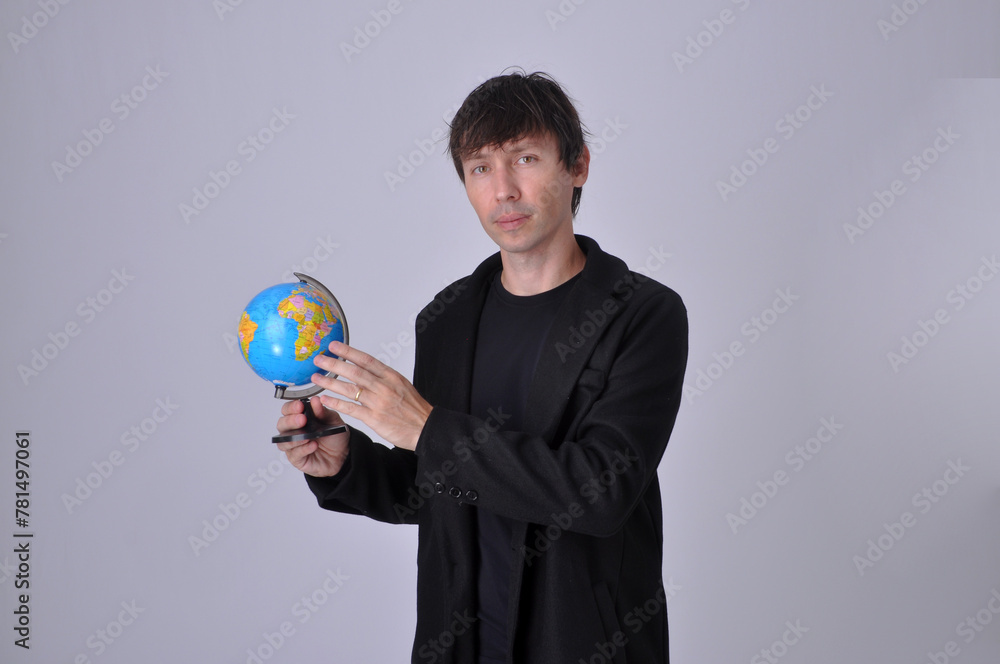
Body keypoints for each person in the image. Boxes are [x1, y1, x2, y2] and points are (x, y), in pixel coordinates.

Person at [276, 71, 688, 664]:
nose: (504, 191)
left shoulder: (644, 314)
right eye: (480, 168)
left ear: (578, 167)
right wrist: (347, 465)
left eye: (524, 158)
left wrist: (425, 429)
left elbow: (601, 492)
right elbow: (441, 490)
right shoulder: (445, 319)